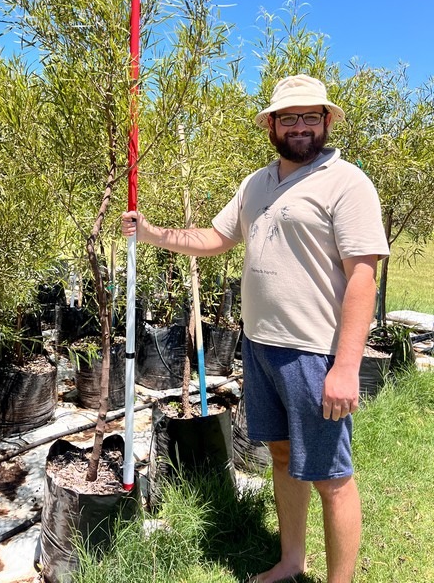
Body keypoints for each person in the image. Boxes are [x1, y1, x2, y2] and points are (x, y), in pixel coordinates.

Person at [121, 74, 389, 583]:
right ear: (271, 124)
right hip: (261, 346)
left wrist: (347, 366)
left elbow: (362, 276)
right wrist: (152, 233)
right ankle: (291, 561)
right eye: (289, 117)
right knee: (283, 455)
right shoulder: (256, 183)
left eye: (311, 116)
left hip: (316, 353)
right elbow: (218, 237)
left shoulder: (347, 183)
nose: (301, 126)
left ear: (327, 121)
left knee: (333, 476)